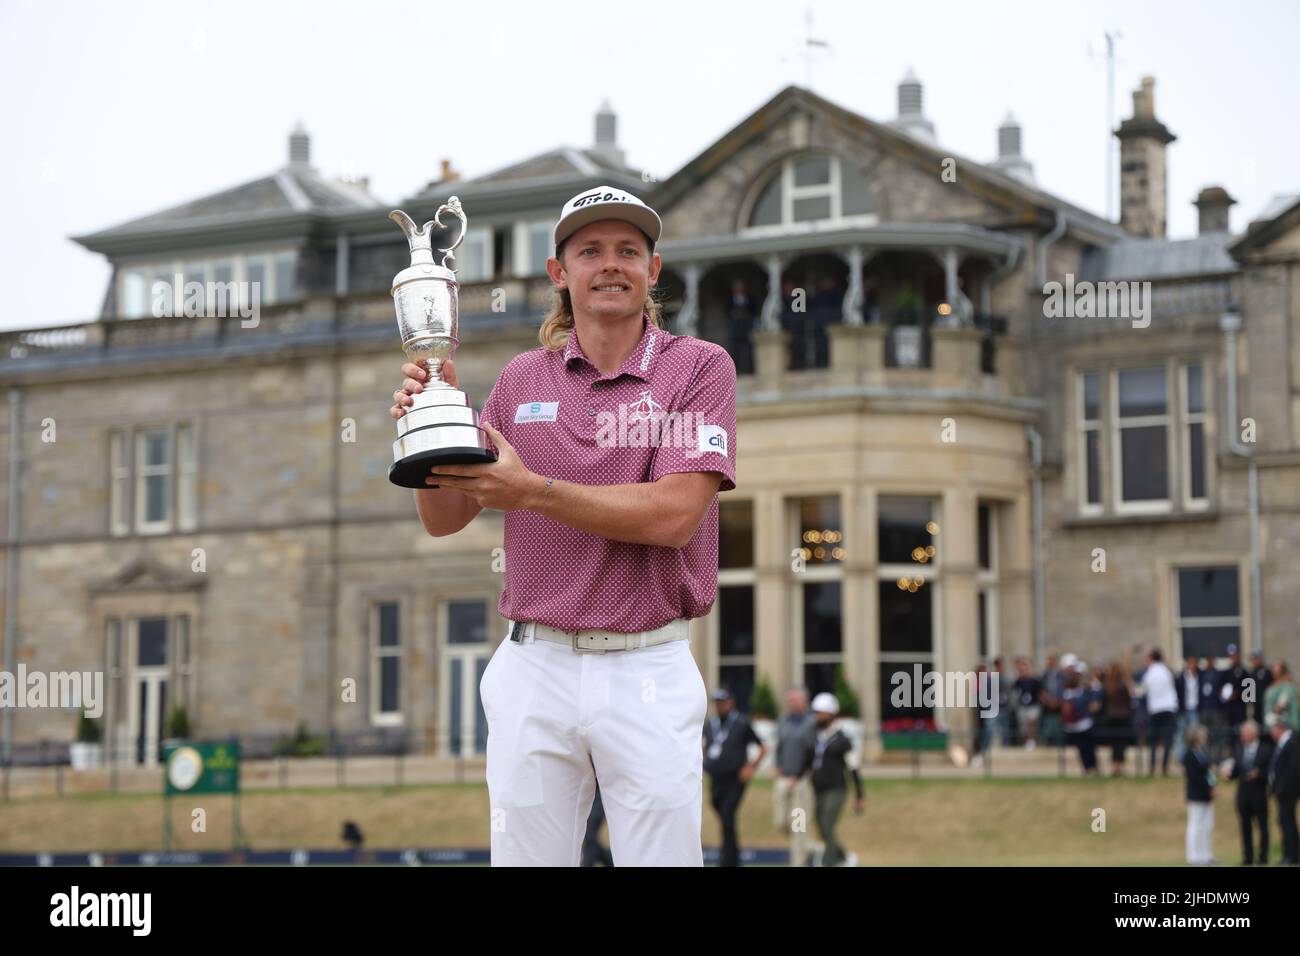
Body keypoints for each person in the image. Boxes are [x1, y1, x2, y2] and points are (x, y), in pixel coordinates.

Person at [391, 186, 737, 867]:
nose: (611, 264)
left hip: (648, 664)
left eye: (627, 251)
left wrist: (531, 491)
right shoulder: (521, 380)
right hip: (534, 663)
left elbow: (674, 516)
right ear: (560, 273)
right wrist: (427, 423)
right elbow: (446, 516)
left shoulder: (700, 367)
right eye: (590, 252)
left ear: (653, 269)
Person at [703, 688, 767, 867]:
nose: (719, 706)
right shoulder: (710, 724)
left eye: (722, 702)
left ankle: (728, 860)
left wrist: (751, 767)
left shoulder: (741, 723)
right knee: (722, 813)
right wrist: (707, 762)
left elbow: (763, 747)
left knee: (728, 814)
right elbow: (707, 746)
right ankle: (733, 857)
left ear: (731, 702)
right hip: (716, 779)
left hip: (735, 779)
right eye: (716, 702)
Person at [802, 691, 864, 866]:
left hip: (836, 788)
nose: (817, 717)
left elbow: (854, 767)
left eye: (820, 713)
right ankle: (844, 858)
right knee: (821, 826)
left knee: (828, 824)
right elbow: (808, 761)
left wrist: (859, 795)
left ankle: (829, 862)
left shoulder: (843, 739)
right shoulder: (814, 736)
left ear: (830, 714)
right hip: (817, 788)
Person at [773, 686, 817, 866]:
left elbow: (812, 752)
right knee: (780, 821)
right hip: (783, 778)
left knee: (798, 825)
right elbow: (780, 746)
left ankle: (797, 862)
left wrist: (799, 775)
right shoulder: (783, 721)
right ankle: (812, 847)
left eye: (795, 700)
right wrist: (777, 765)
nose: (791, 703)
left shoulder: (811, 723)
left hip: (800, 781)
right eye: (790, 700)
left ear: (804, 701)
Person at [1225, 720, 1273, 865]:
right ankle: (1248, 857)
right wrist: (1228, 775)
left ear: (1254, 734)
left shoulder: (1266, 749)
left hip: (1259, 794)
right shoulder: (1239, 748)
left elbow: (1271, 771)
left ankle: (1263, 857)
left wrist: (1259, 774)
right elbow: (1236, 770)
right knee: (1245, 827)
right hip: (1243, 795)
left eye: (1245, 734)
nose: (1242, 737)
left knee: (1263, 827)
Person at [1141, 649, 1179, 776]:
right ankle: (1164, 767)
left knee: (1153, 740)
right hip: (1169, 708)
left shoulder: (1149, 673)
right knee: (1167, 739)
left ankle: (1152, 767)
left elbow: (1143, 689)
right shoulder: (1166, 670)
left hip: (1155, 709)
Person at [1267, 715, 1300, 864]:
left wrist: (1281, 788)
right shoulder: (1282, 743)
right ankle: (1289, 854)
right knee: (1285, 822)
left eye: (1273, 728)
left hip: (1288, 791)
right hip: (1282, 790)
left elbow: (1292, 770)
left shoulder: (1292, 742)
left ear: (1280, 728)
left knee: (1288, 822)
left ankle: (1291, 856)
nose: (1271, 732)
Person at [1183, 724, 1217, 865]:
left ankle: (1206, 855)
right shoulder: (1190, 755)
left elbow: (1208, 773)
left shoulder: (1202, 753)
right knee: (1195, 825)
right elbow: (1195, 777)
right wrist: (1207, 788)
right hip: (1197, 795)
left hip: (1206, 795)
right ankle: (1193, 856)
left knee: (1207, 825)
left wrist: (1212, 786)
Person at [1060, 661, 1099, 775]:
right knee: (1083, 749)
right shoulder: (1069, 692)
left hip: (1084, 724)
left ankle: (1092, 768)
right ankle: (1088, 768)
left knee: (1089, 748)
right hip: (1076, 725)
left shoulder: (1083, 690)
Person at [1099, 661, 1134, 775]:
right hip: (1123, 716)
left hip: (1111, 717)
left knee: (1114, 743)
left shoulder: (1107, 685)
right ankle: (1119, 766)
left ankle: (1115, 766)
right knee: (1121, 743)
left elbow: (1103, 701)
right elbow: (1129, 699)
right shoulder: (1122, 684)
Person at [724, 278, 757, 376]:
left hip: (747, 328)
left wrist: (745, 314)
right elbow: (727, 313)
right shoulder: (730, 300)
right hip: (735, 329)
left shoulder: (750, 299)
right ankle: (735, 372)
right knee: (735, 351)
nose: (739, 288)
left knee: (749, 351)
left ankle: (750, 371)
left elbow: (754, 311)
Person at [1174, 654, 1201, 763]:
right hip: (1183, 710)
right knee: (1181, 734)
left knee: (1194, 735)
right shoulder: (1180, 678)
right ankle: (1181, 759)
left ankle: (1193, 758)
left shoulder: (1200, 676)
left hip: (1195, 710)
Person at [580, 784, 614, 867]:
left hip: (598, 800)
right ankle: (612, 862)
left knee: (590, 837)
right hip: (591, 800)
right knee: (591, 840)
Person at [1012, 657, 1042, 751]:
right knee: (1023, 727)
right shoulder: (1018, 682)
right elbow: (1015, 693)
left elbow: (1040, 693)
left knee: (1031, 722)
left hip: (1033, 706)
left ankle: (1031, 741)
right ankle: (1026, 742)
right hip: (1022, 707)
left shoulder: (1035, 681)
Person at [1265, 661, 1299, 733]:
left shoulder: (1287, 687)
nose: (1274, 673)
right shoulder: (1272, 686)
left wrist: (1272, 716)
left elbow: (1281, 704)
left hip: (1285, 728)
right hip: (1271, 728)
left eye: (1277, 671)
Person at [1248, 651, 1273, 725]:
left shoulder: (1267, 671)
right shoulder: (1252, 673)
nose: (1254, 661)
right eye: (1253, 659)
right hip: (1256, 704)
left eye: (1256, 659)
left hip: (1266, 703)